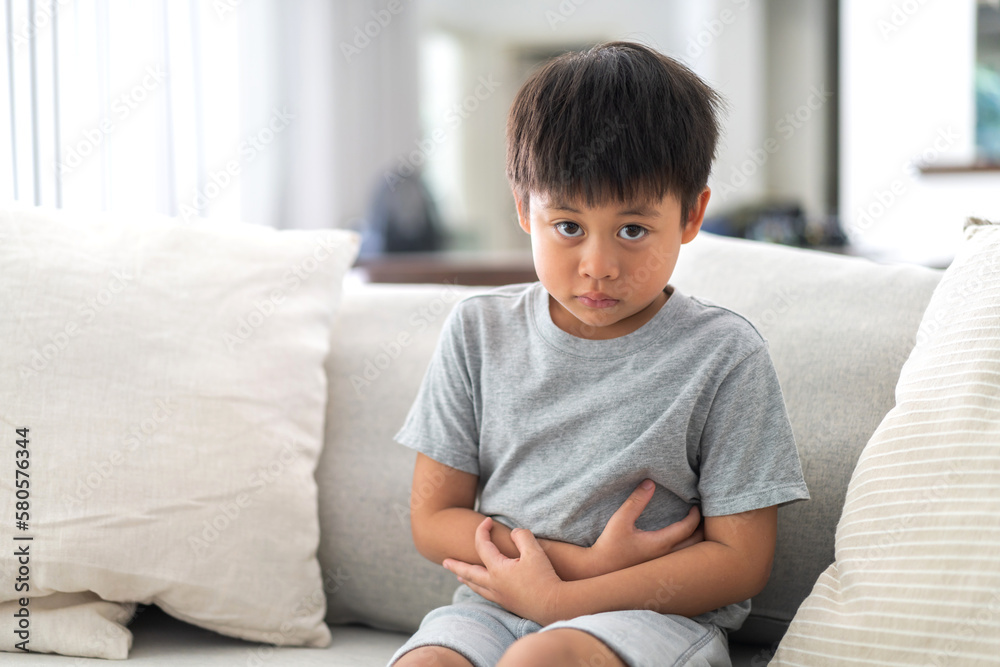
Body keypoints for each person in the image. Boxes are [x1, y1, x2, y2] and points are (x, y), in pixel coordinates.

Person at [389, 41, 809, 667]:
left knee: (544, 660)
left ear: (692, 214)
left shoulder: (725, 355)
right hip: (495, 607)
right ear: (524, 205)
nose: (598, 267)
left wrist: (569, 602)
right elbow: (434, 518)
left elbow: (741, 562)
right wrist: (572, 568)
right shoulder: (477, 331)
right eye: (569, 227)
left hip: (651, 618)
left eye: (633, 230)